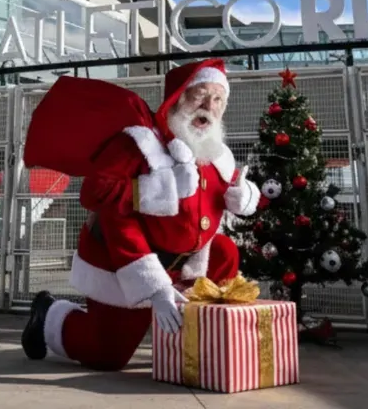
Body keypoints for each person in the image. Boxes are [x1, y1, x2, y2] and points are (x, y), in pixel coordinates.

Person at [19, 59, 261, 370]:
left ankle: (199, 341)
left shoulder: (215, 154)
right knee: (107, 355)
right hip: (122, 258)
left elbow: (220, 197)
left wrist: (242, 197)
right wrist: (154, 192)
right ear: (177, 99)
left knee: (224, 251)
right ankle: (49, 316)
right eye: (200, 95)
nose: (208, 107)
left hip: (185, 262)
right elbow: (97, 197)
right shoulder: (139, 143)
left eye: (217, 99)